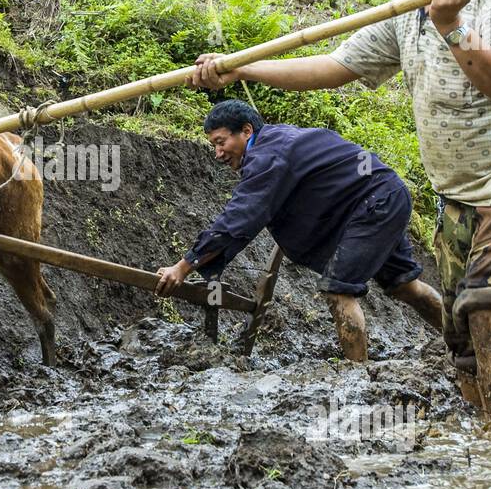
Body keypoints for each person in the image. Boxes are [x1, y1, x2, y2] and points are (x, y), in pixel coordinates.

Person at [187, 0, 491, 434]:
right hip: (459, 195)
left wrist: (452, 26)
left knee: (489, 308)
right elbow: (331, 69)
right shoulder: (406, 8)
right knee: (463, 343)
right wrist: (240, 66)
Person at [155, 99, 442, 360]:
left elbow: (237, 219)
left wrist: (183, 267)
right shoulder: (279, 142)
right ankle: (464, 341)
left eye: (221, 142)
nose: (218, 153)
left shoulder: (268, 156)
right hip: (382, 197)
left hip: (373, 204)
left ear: (245, 131)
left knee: (338, 290)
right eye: (213, 146)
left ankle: (358, 378)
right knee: (406, 284)